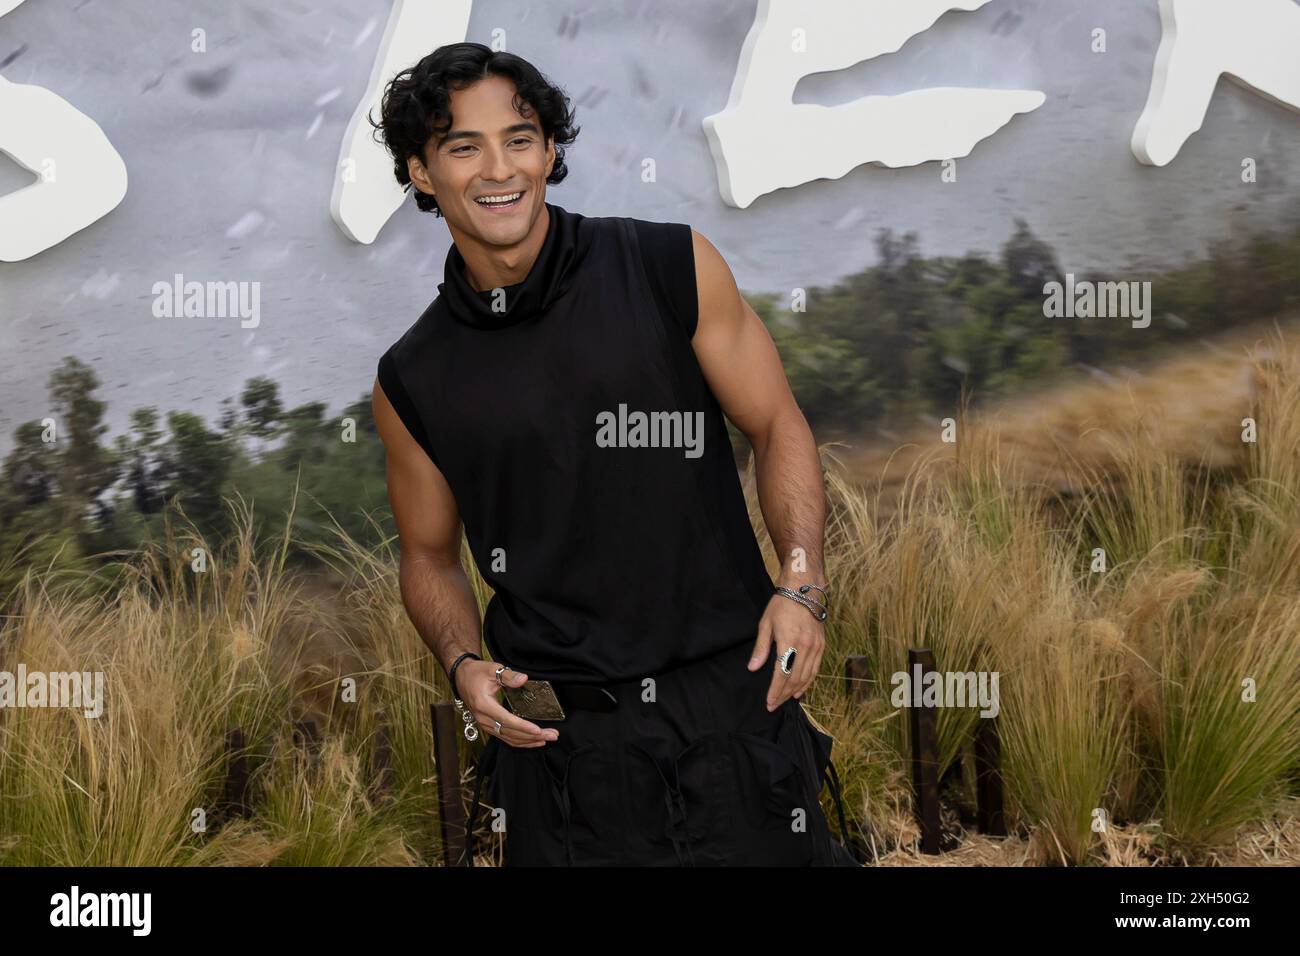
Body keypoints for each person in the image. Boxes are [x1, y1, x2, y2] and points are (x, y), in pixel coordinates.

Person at [370, 41, 858, 866]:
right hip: (564, 753)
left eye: (519, 139)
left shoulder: (671, 266)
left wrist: (802, 583)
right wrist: (461, 664)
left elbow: (777, 424)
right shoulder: (412, 379)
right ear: (421, 172)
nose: (500, 167)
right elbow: (428, 557)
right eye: (463, 146)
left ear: (550, 151)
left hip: (733, 706)